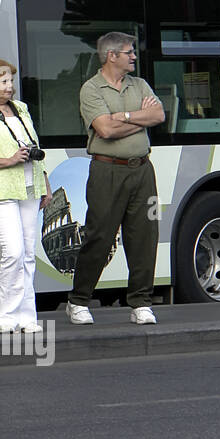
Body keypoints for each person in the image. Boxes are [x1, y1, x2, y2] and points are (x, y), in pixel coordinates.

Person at [68, 32, 165, 325]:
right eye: (128, 52)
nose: (134, 56)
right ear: (112, 56)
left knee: (145, 236)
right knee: (100, 236)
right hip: (107, 170)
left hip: (142, 170)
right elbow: (104, 131)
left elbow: (158, 115)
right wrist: (137, 117)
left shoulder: (140, 84)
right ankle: (79, 301)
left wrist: (120, 116)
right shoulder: (91, 89)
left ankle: (141, 303)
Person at [0, 59, 51, 333]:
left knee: (27, 253)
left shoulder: (22, 109)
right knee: (13, 251)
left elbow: (33, 146)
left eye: (11, 81)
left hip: (28, 187)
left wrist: (44, 181)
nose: (10, 87)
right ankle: (5, 315)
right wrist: (8, 160)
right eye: (4, 82)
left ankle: (27, 316)